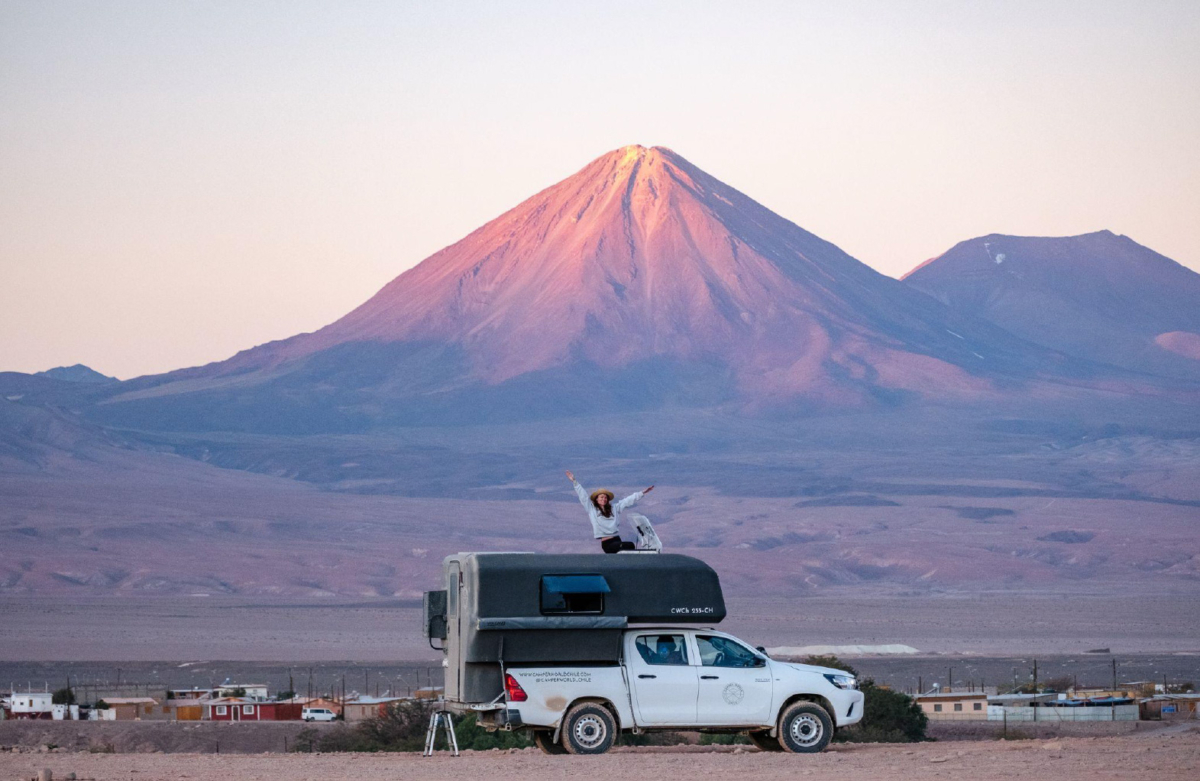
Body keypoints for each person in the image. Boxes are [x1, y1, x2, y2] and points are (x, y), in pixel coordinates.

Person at [565, 470, 654, 553]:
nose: (604, 499)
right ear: (596, 499)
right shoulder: (592, 510)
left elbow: (627, 501)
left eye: (605, 497)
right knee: (629, 545)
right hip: (607, 543)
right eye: (601, 497)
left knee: (630, 546)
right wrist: (575, 482)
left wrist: (642, 493)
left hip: (617, 539)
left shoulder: (614, 508)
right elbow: (583, 497)